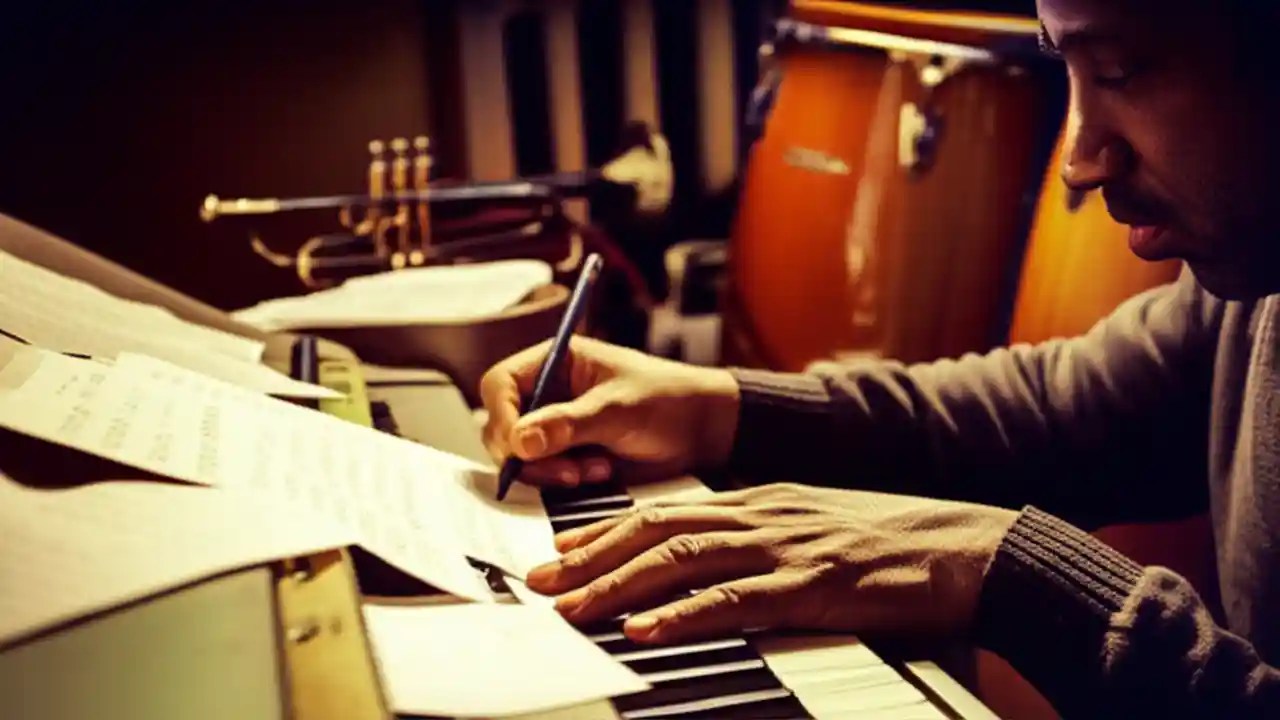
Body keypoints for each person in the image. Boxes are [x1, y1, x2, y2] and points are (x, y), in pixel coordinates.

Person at [479, 1, 1280, 717]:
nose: (1079, 159)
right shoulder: (1246, 294)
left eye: (1121, 70)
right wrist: (715, 405)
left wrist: (1002, 573)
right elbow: (1064, 416)